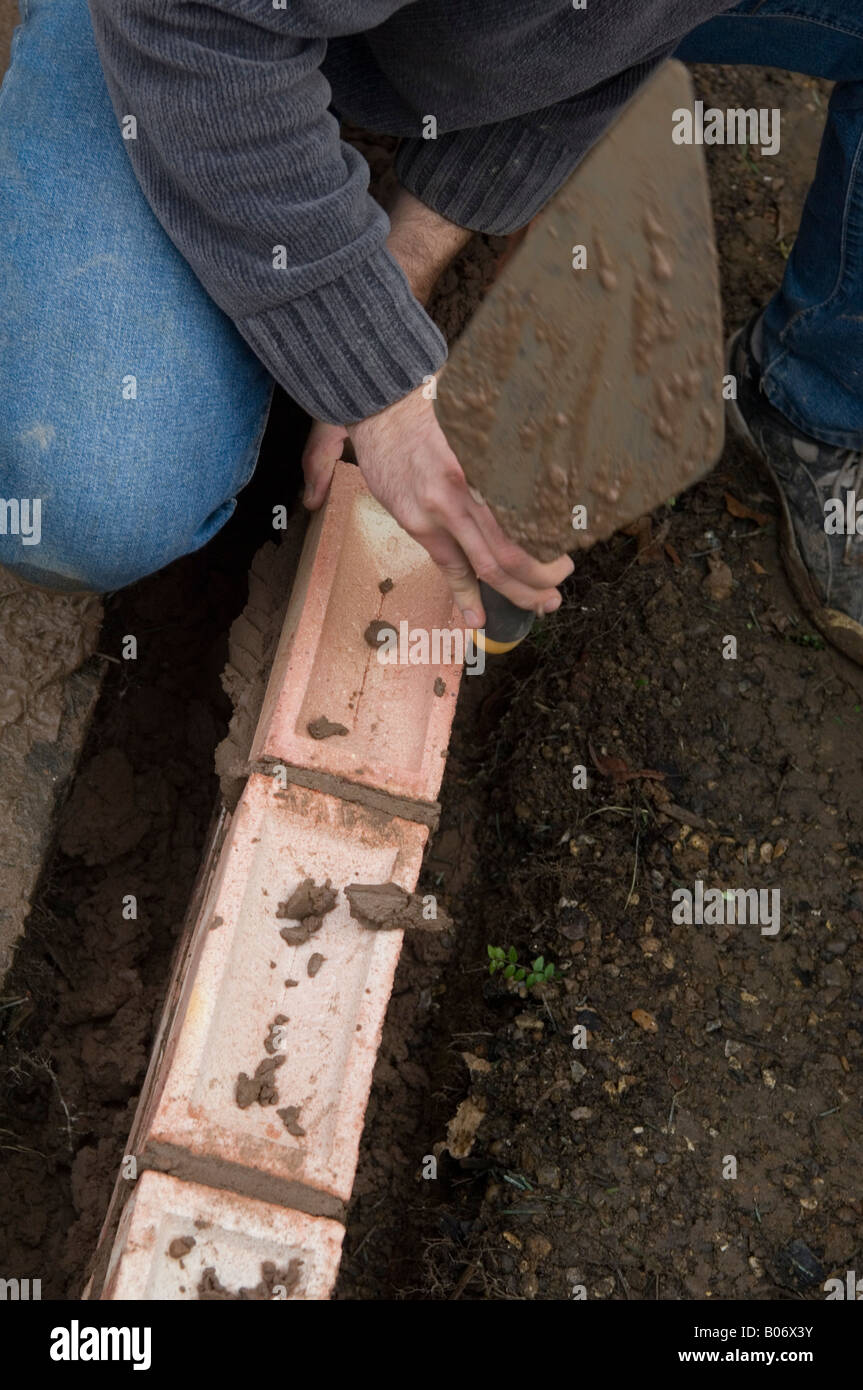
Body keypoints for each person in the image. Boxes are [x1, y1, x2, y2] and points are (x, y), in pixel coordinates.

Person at [1, 1, 861, 664]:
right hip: (183, 28)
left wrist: (403, 261)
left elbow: (621, 23)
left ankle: (806, 399)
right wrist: (378, 384)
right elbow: (192, 26)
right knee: (88, 506)